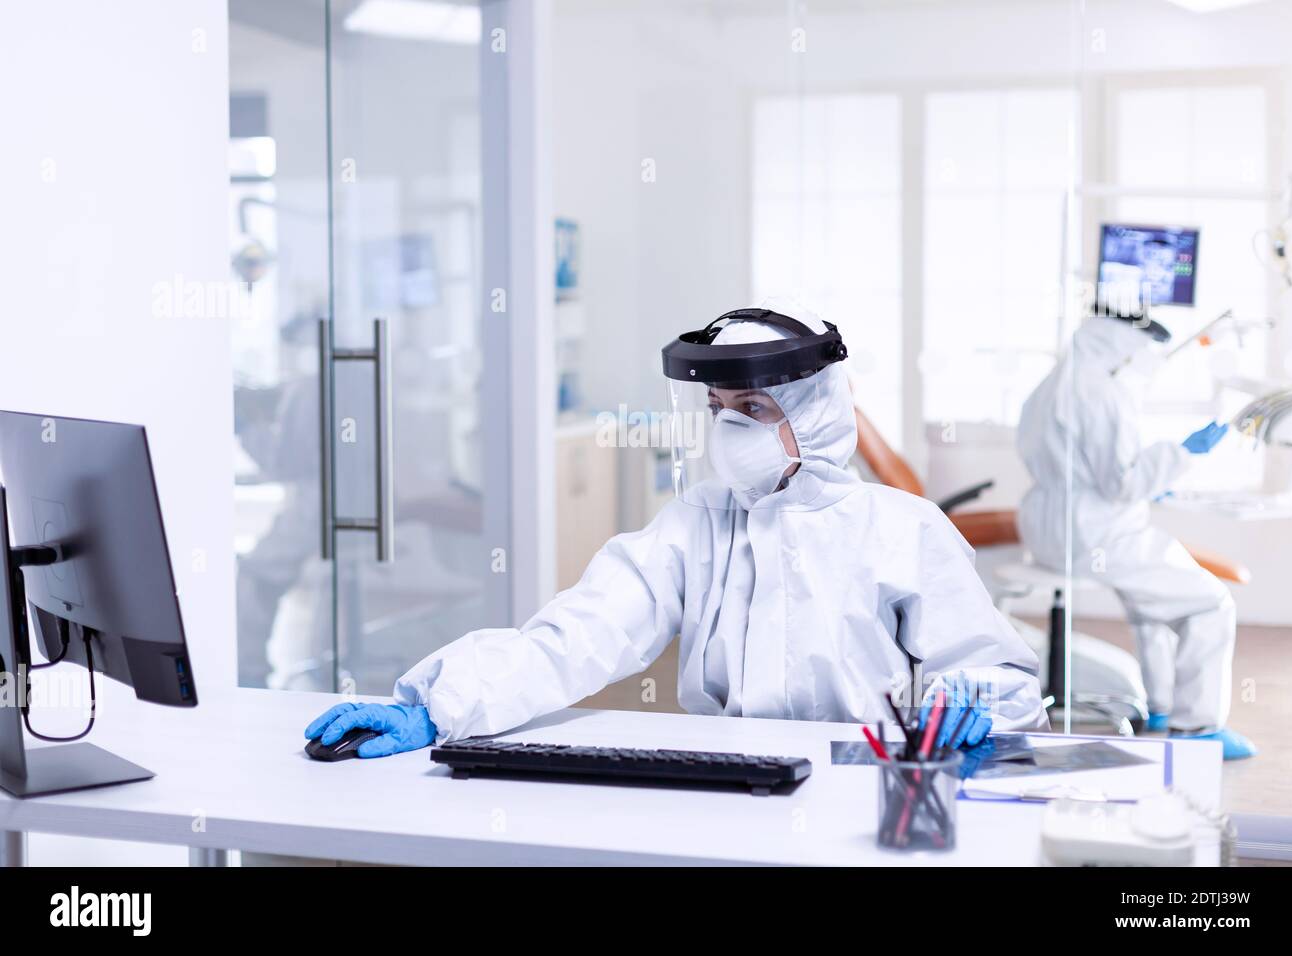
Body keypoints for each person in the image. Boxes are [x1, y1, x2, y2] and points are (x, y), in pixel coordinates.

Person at [306, 304, 1048, 758]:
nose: (728, 428)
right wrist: (440, 703)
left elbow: (999, 680)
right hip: (726, 782)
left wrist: (973, 705)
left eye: (751, 410)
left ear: (813, 413)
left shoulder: (901, 529)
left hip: (863, 784)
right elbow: (581, 634)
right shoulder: (696, 524)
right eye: (717, 407)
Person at [1017, 312, 1256, 759]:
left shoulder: (1052, 383)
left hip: (1046, 526)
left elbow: (1081, 468)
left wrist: (1153, 478)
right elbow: (1121, 484)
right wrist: (1183, 453)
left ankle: (1163, 705)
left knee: (1154, 600)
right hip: (1095, 534)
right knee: (1209, 603)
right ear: (1124, 348)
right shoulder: (1103, 392)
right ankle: (1197, 729)